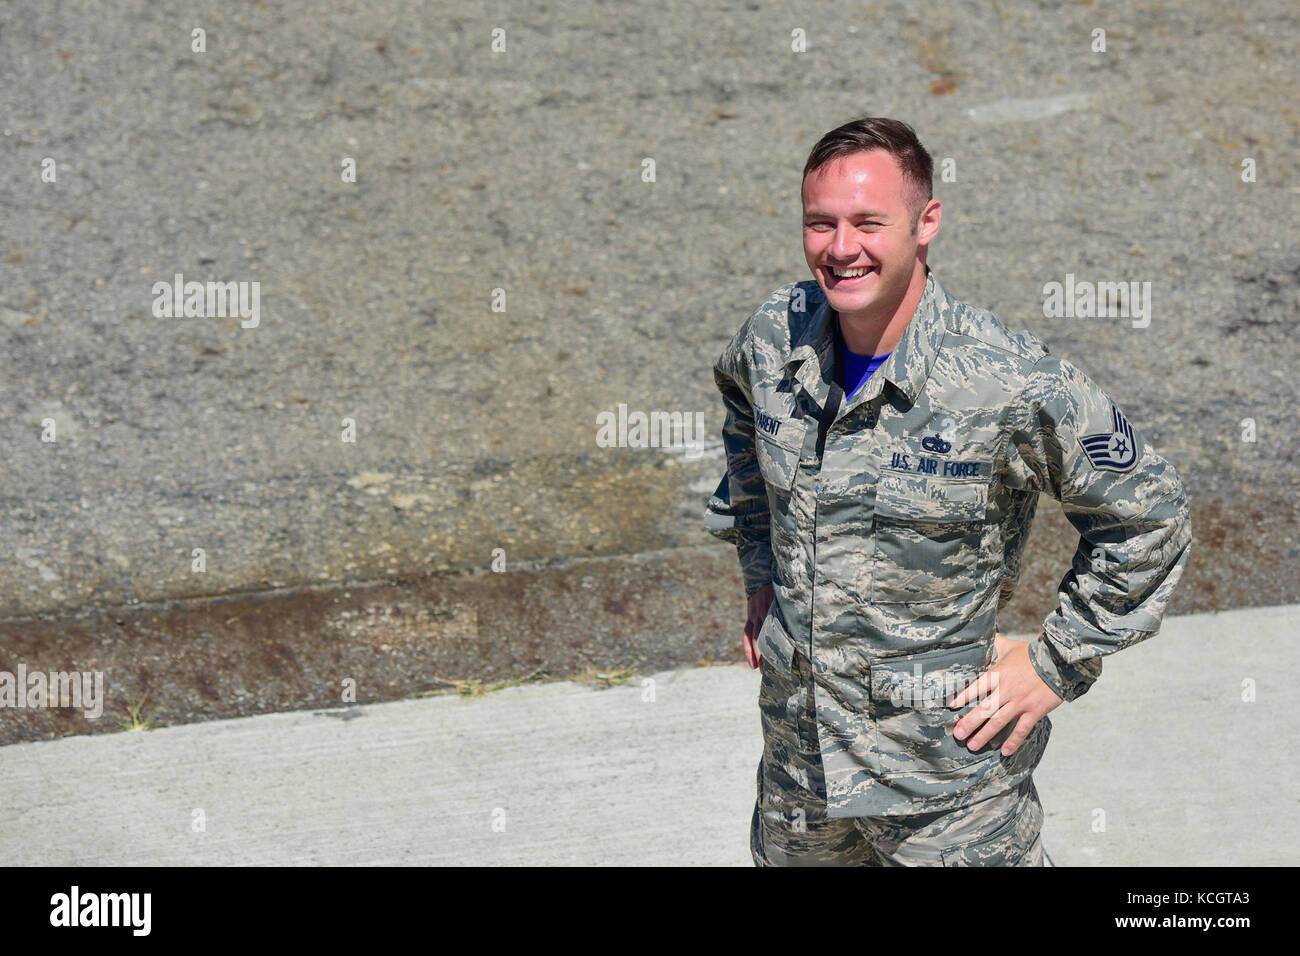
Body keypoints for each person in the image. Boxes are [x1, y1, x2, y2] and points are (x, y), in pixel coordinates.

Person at [704, 116, 1192, 866]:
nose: (841, 249)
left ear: (926, 222)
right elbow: (743, 420)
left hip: (945, 786)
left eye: (869, 222)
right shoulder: (777, 337)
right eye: (820, 224)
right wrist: (761, 572)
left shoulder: (1005, 379)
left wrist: (1054, 664)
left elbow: (1150, 517)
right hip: (802, 777)